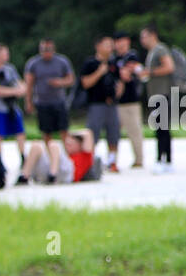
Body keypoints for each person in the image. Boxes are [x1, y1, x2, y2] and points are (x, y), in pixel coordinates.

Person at [0, 43, 29, 179]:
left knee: (20, 132)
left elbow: (21, 85)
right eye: (4, 53)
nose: (6, 56)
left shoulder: (10, 69)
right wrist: (15, 91)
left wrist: (18, 90)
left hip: (12, 107)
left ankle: (23, 157)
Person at [80, 35, 123, 172]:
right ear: (98, 46)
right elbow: (85, 83)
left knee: (114, 132)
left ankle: (112, 161)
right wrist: (99, 72)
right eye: (107, 45)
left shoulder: (114, 64)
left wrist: (119, 90)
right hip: (96, 104)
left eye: (111, 45)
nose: (110, 48)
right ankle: (90, 163)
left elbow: (119, 81)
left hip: (112, 104)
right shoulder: (90, 63)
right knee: (93, 133)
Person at [23, 38, 74, 144]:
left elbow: (71, 80)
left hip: (59, 101)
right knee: (46, 131)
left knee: (64, 129)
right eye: (44, 49)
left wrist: (60, 82)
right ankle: (49, 154)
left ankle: (66, 154)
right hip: (42, 102)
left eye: (48, 49)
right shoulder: (33, 63)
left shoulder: (62, 61)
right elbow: (29, 84)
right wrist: (28, 101)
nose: (46, 52)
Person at [140, 25, 176, 172]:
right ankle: (164, 159)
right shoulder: (152, 52)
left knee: (162, 128)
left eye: (144, 36)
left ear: (152, 35)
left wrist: (149, 72)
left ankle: (164, 160)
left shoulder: (160, 49)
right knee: (160, 128)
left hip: (162, 94)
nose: (142, 40)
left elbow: (169, 67)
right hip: (156, 94)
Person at [21, 128, 102, 184]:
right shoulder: (66, 155)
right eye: (67, 144)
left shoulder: (85, 155)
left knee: (53, 145)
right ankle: (25, 176)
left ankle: (53, 175)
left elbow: (88, 133)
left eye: (71, 144)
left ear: (79, 145)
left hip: (69, 174)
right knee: (36, 145)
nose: (68, 145)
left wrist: (72, 134)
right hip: (50, 172)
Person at [112, 32, 145, 168]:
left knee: (134, 131)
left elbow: (129, 74)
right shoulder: (114, 59)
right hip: (116, 102)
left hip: (130, 100)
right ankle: (113, 160)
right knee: (113, 132)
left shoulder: (131, 56)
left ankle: (139, 159)